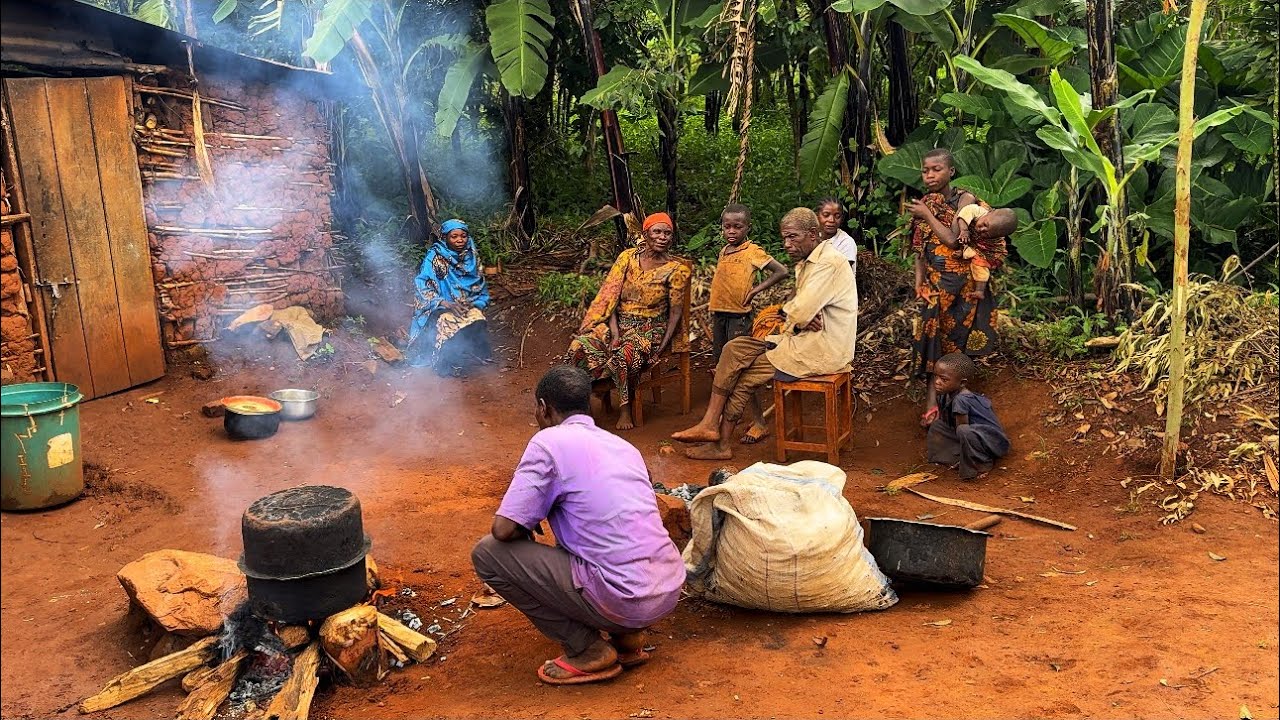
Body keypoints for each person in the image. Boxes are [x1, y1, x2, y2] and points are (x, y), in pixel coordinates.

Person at [471, 366, 686, 686]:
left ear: (543, 408)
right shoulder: (623, 447)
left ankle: (587, 649)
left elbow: (503, 530)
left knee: (488, 554)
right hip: (666, 588)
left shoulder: (547, 442)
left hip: (622, 596)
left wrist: (527, 523)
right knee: (589, 537)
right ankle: (627, 638)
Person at [671, 207, 858, 460]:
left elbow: (800, 311)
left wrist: (795, 315)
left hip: (821, 350)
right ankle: (709, 423)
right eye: (785, 238)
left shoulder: (828, 263)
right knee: (733, 349)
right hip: (797, 339)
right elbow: (798, 311)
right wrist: (795, 315)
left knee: (744, 376)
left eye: (793, 237)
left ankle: (722, 445)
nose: (787, 244)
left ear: (813, 234)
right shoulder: (808, 263)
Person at [564, 213, 691, 431]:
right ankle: (582, 404)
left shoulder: (676, 270)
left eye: (667, 233)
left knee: (625, 354)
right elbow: (612, 297)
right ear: (645, 234)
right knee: (579, 346)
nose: (662, 237)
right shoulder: (627, 258)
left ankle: (625, 409)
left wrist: (661, 348)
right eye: (657, 232)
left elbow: (675, 314)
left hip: (649, 329)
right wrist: (614, 333)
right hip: (618, 324)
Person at [907, 147, 998, 427]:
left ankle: (955, 405)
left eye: (937, 169)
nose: (930, 175)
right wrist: (918, 282)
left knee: (956, 340)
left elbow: (952, 239)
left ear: (951, 171)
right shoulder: (926, 202)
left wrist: (926, 214)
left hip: (961, 286)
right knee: (931, 339)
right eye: (925, 170)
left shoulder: (965, 199)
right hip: (934, 286)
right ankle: (932, 402)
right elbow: (920, 248)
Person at [708, 205, 788, 444]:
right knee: (722, 369)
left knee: (741, 370)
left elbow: (781, 271)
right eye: (727, 227)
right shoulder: (724, 251)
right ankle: (720, 419)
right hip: (720, 315)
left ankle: (759, 422)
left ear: (747, 228)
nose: (731, 231)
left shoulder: (753, 251)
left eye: (737, 227)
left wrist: (755, 290)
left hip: (739, 317)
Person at [406, 219, 492, 376]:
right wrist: (444, 303)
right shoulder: (434, 257)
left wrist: (471, 303)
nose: (460, 240)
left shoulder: (471, 255)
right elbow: (422, 285)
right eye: (454, 236)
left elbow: (478, 285)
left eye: (463, 236)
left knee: (476, 317)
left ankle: (470, 353)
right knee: (447, 321)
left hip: (464, 304)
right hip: (438, 306)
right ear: (445, 238)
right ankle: (444, 363)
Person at [925, 352, 1010, 480]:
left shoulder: (962, 399)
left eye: (944, 379)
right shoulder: (943, 395)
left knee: (962, 430)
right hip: (974, 436)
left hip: (992, 442)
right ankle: (958, 458)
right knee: (937, 426)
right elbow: (949, 424)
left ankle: (982, 463)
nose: (937, 382)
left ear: (962, 383)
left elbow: (962, 429)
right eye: (935, 376)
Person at [952, 205, 1017, 303]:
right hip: (966, 234)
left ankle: (979, 290)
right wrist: (964, 230)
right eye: (985, 224)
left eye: (987, 233)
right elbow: (965, 212)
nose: (981, 229)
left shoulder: (995, 241)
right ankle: (964, 251)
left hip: (979, 248)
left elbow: (986, 249)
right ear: (991, 212)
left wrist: (966, 250)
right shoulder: (978, 211)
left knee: (980, 265)